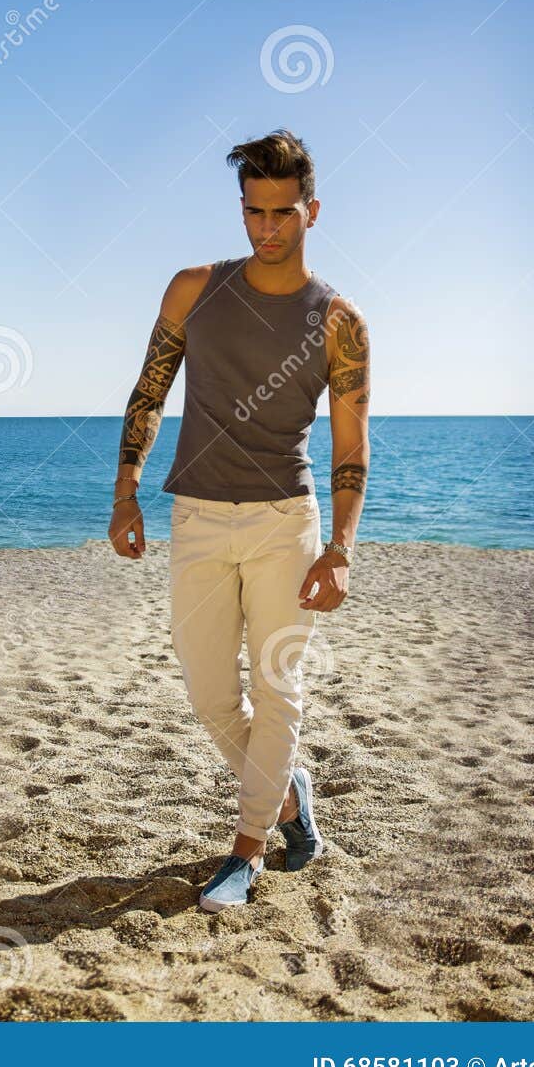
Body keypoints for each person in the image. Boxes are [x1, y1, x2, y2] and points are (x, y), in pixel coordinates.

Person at [106, 128, 371, 913]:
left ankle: (247, 853)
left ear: (311, 210)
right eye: (253, 211)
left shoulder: (339, 321)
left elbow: (352, 446)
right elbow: (147, 393)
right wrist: (126, 489)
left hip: (284, 522)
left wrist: (340, 548)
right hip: (197, 518)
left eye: (282, 212)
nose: (266, 229)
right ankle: (288, 796)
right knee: (210, 695)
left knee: (277, 689)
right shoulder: (193, 289)